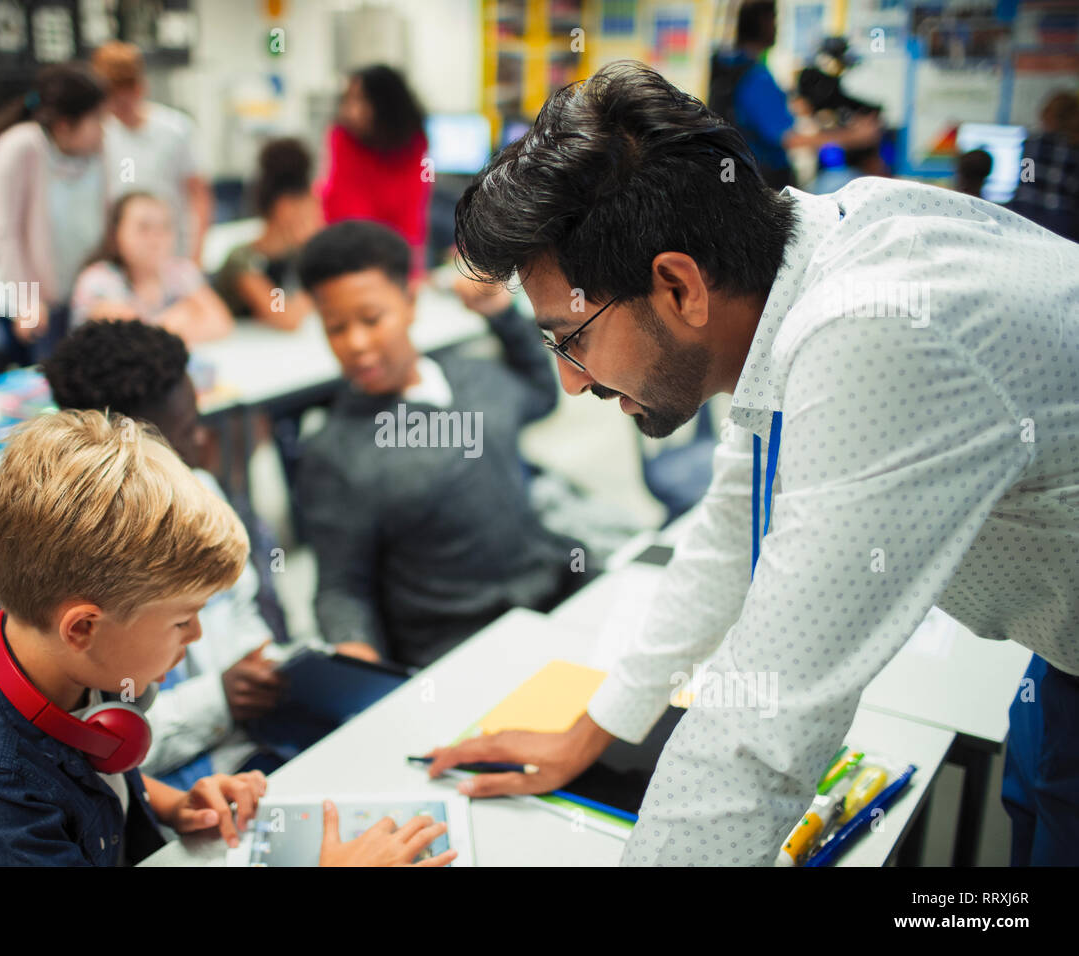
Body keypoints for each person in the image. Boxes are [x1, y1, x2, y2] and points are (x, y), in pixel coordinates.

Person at [430, 61, 1079, 866]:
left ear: (678, 287)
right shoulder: (809, 258)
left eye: (573, 337)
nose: (569, 379)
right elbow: (733, 531)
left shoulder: (876, 335)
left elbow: (764, 730)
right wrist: (596, 729)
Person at [0, 409, 454, 866]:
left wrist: (167, 802)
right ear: (82, 627)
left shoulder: (57, 663)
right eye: (183, 621)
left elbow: (82, 763)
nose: (197, 634)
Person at [294, 220, 590, 669]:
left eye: (372, 320)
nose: (356, 344)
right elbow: (341, 586)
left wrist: (502, 316)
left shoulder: (472, 378)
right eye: (336, 328)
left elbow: (540, 396)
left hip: (551, 591)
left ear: (411, 303)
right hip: (460, 646)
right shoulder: (334, 453)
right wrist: (353, 650)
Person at [42, 319, 282, 782]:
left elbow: (240, 611)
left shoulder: (202, 493)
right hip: (167, 790)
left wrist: (264, 666)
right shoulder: (83, 574)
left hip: (250, 745)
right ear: (122, 450)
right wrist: (219, 700)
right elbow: (98, 751)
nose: (201, 441)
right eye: (188, 429)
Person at [0, 63, 109, 356]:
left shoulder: (99, 151)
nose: (103, 129)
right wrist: (26, 299)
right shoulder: (20, 147)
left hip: (88, 296)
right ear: (64, 125)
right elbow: (5, 233)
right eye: (97, 120)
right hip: (42, 306)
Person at [708, 1, 878, 189]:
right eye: (775, 19)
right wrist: (855, 137)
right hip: (764, 182)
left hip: (735, 176)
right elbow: (789, 138)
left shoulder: (729, 66)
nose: (778, 26)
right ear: (763, 21)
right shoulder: (757, 77)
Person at [91, 41, 212, 264]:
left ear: (140, 87)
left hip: (173, 255)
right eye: (113, 97)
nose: (120, 103)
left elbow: (199, 195)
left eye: (126, 93)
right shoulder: (99, 136)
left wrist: (196, 257)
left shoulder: (176, 129)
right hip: (124, 260)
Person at [70, 192, 233, 345]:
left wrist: (165, 327)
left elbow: (221, 323)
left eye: (165, 227)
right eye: (144, 228)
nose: (156, 238)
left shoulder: (179, 270)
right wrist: (182, 316)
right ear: (115, 234)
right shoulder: (98, 278)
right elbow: (133, 338)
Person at [320, 65, 431, 278]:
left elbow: (411, 217)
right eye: (348, 100)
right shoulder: (342, 137)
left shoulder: (413, 144)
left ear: (385, 104)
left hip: (391, 254)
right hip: (348, 254)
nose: (350, 110)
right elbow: (348, 213)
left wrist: (413, 275)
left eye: (361, 100)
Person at [214, 138, 320, 329]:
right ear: (285, 207)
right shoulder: (245, 260)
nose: (318, 214)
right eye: (311, 205)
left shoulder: (292, 258)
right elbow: (284, 317)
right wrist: (312, 255)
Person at [1009, 90, 1079, 242]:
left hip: (1023, 216)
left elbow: (1026, 180)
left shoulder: (1031, 144)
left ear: (1046, 114)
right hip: (1063, 224)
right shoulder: (1074, 150)